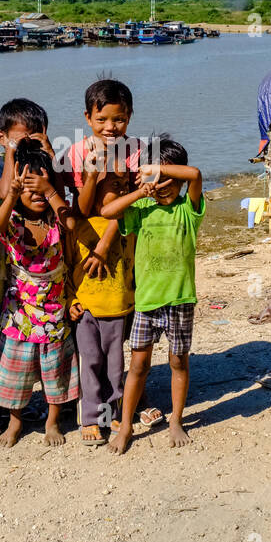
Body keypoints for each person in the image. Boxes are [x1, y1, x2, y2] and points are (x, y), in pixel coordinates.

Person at [68, 77, 163, 429]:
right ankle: (93, 407)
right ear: (88, 117)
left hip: (126, 240)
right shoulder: (77, 153)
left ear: (130, 116)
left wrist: (107, 242)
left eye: (119, 119)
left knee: (128, 326)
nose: (111, 127)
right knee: (94, 331)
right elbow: (80, 208)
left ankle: (133, 398)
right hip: (86, 241)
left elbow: (128, 205)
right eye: (102, 119)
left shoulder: (139, 150)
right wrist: (93, 176)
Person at [100, 135, 203, 454]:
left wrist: (158, 168)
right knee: (139, 365)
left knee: (177, 362)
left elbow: (196, 174)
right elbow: (107, 211)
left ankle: (176, 421)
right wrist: (141, 189)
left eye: (171, 179)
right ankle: (127, 426)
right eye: (159, 180)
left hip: (181, 300)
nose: (164, 186)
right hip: (147, 302)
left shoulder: (189, 209)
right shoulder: (141, 209)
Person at [0, 138, 78, 447]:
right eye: (30, 190)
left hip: (55, 311)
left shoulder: (56, 219)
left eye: (43, 188)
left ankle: (52, 422)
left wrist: (50, 189)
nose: (38, 195)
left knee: (56, 373)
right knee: (17, 374)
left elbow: (72, 223)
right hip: (21, 314)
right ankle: (15, 423)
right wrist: (12, 192)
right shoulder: (14, 223)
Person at [0, 98, 50, 440]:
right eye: (20, 138)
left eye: (34, 138)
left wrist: (46, 154)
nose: (27, 147)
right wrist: (13, 154)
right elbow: (6, 190)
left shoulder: (43, 168)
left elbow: (61, 204)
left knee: (32, 339)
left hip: (36, 273)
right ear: (2, 136)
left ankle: (24, 402)